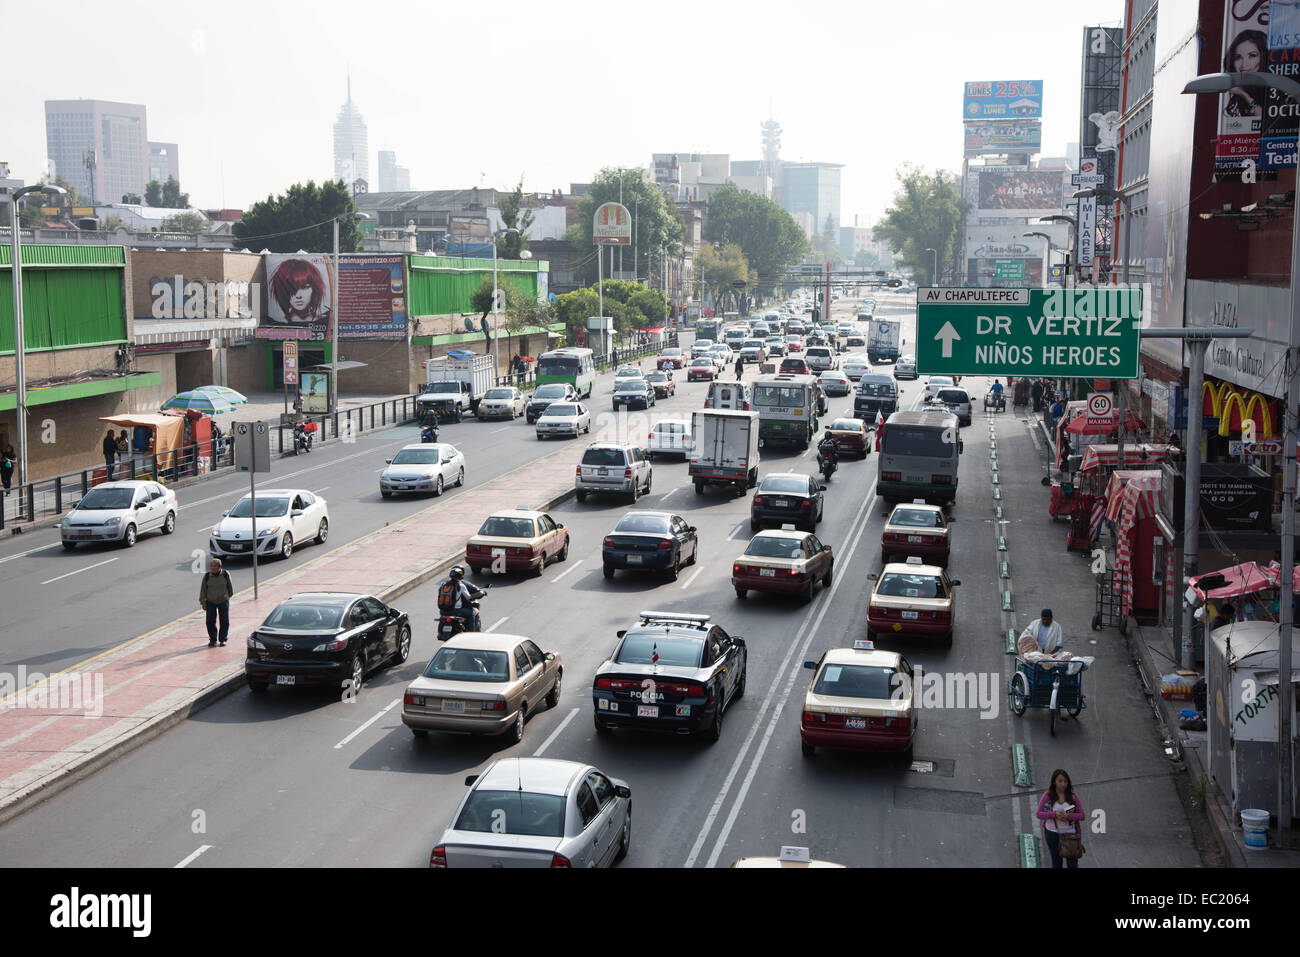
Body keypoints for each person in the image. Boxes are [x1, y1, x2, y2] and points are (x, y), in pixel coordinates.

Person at [1036, 769, 1085, 868]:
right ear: (1054, 782)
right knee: (1056, 861)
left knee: (1072, 863)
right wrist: (1054, 814)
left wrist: (1068, 816)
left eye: (1065, 781)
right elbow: (1039, 814)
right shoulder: (1048, 796)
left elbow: (1082, 815)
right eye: (1060, 781)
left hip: (1070, 834)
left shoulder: (1073, 797)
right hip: (1052, 833)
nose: (1063, 784)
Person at [1223, 30, 1268, 119]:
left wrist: (1244, 95)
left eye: (1252, 55)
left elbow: (1267, 121)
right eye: (1238, 57)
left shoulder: (1273, 89)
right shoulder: (1233, 89)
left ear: (1263, 58)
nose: (1244, 64)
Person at [199, 557, 235, 647]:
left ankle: (223, 639)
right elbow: (203, 589)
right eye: (211, 566)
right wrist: (203, 602)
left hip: (223, 601)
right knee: (210, 621)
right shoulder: (207, 576)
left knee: (224, 621)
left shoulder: (225, 574)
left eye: (214, 566)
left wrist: (227, 596)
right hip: (211, 601)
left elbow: (230, 587)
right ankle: (213, 639)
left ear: (219, 567)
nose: (212, 568)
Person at [437, 565, 485, 632]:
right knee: (471, 613)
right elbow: (468, 597)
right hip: (456, 611)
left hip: (443, 611)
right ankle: (471, 633)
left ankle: (439, 632)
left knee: (443, 618)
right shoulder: (461, 585)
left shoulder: (444, 584)